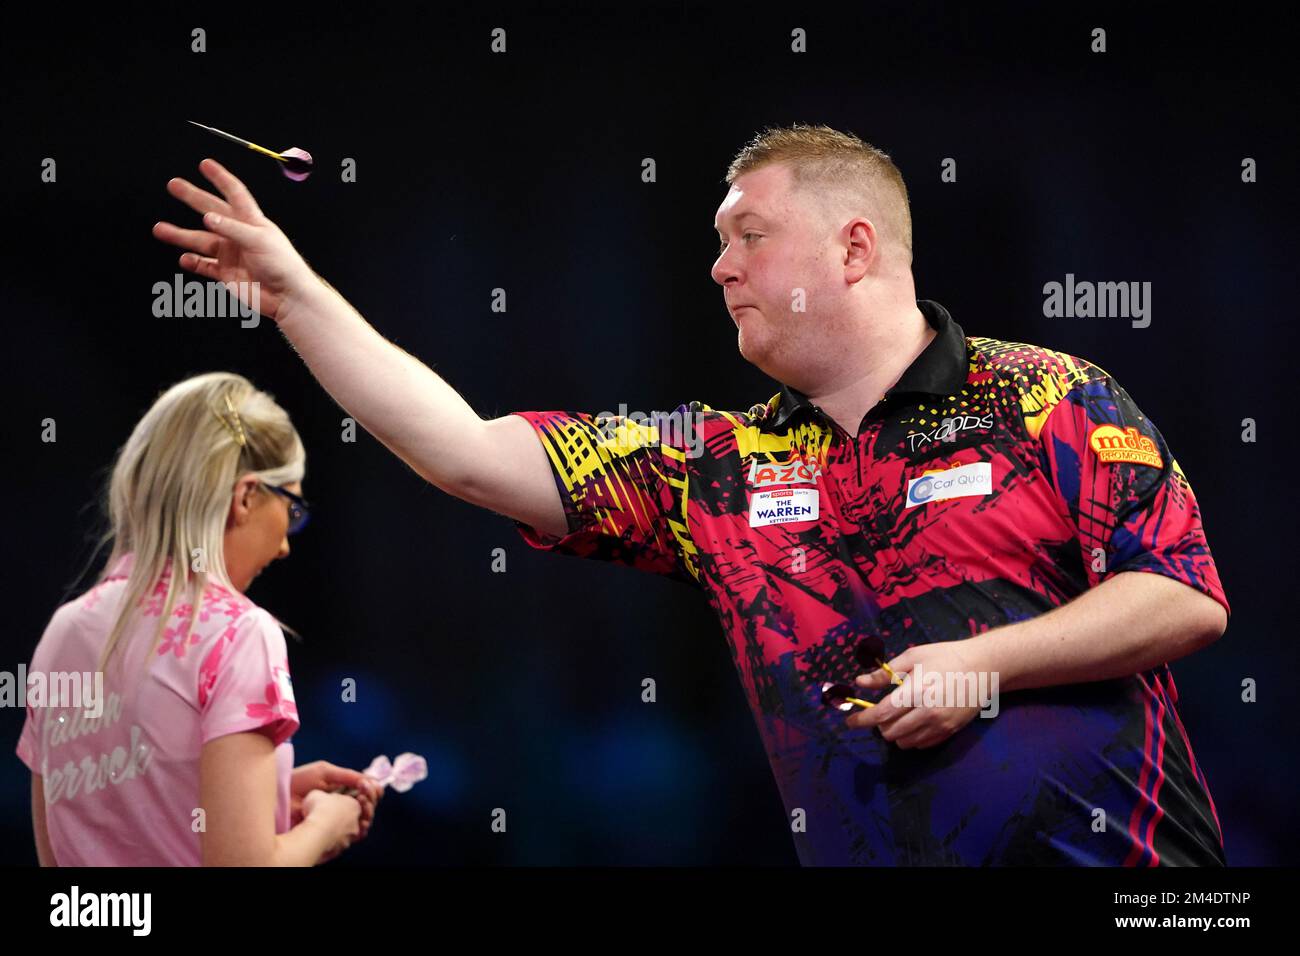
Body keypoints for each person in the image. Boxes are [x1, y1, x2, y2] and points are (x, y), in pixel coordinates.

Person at [152, 124, 1230, 865]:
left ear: (853, 248)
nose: (717, 268)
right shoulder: (713, 463)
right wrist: (292, 294)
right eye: (718, 244)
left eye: (747, 237)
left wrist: (980, 664)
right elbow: (469, 453)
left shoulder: (1046, 396)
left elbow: (1182, 597)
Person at [16, 372, 382, 865]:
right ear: (246, 496)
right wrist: (324, 826)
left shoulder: (64, 632)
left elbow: (62, 849)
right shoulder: (239, 634)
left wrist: (266, 795)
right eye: (292, 508)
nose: (285, 545)